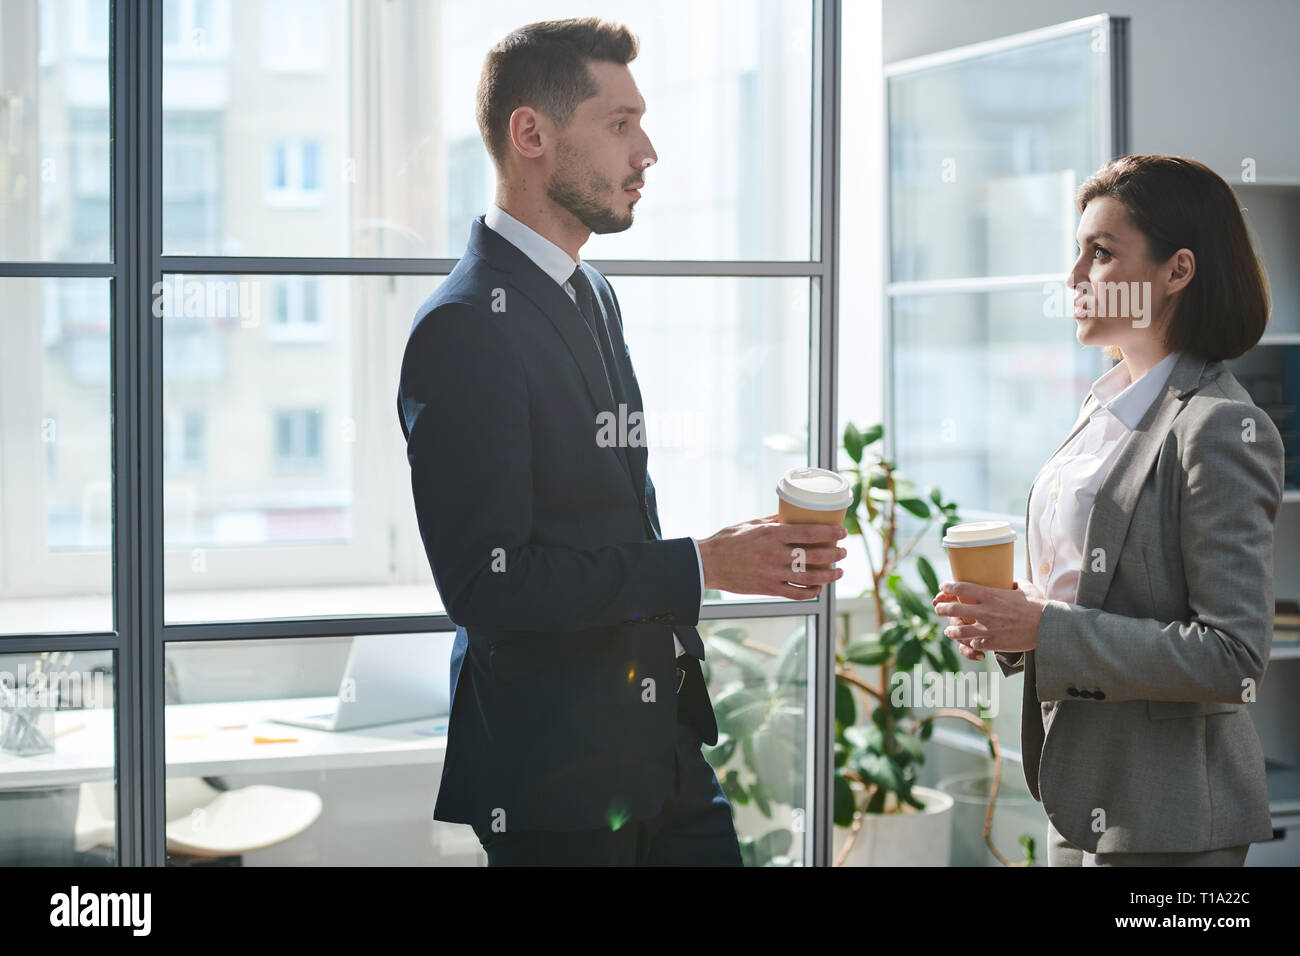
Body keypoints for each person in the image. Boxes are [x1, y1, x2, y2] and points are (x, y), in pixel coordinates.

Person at [395, 17, 846, 866]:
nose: (647, 151)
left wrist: (734, 553)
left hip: (660, 747)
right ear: (530, 134)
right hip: (556, 777)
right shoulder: (462, 329)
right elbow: (487, 586)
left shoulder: (592, 291)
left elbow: (605, 518)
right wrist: (705, 565)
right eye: (619, 124)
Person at [933, 155, 1283, 866]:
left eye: (1101, 253)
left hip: (1172, 816)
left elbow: (1234, 657)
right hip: (1082, 795)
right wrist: (1013, 623)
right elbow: (1086, 600)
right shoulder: (1105, 405)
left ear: (1176, 272)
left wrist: (1046, 628)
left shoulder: (1216, 428)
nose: (1072, 280)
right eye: (1077, 252)